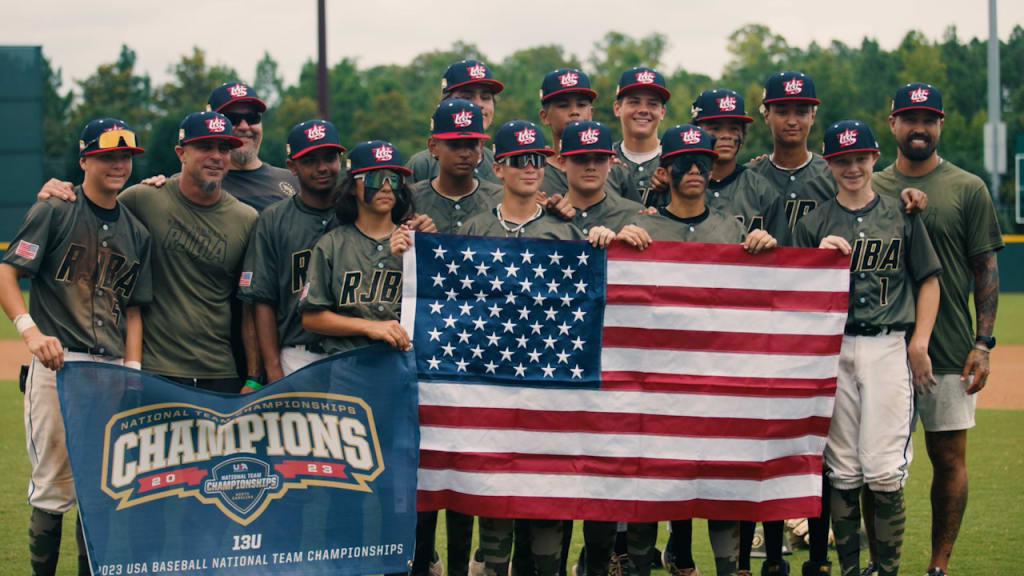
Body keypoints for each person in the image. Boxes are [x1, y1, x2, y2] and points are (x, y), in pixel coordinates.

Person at [617, 125, 778, 576]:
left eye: (702, 161)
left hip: (716, 385)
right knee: (649, 491)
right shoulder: (642, 228)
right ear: (663, 170)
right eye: (683, 162)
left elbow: (761, 302)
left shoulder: (732, 229)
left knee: (722, 486)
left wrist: (764, 250)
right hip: (655, 386)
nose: (694, 169)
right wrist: (612, 241)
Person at [0, 118, 152, 576]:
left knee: (99, 488)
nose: (119, 164)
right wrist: (28, 330)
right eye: (108, 156)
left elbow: (133, 310)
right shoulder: (55, 209)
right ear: (85, 160)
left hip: (110, 372)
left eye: (125, 156)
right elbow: (8, 272)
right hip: (58, 365)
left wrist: (133, 368)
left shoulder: (137, 232)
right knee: (53, 487)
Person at [794, 119, 942, 576]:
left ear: (874, 158)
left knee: (883, 470)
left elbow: (929, 280)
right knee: (842, 470)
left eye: (860, 157)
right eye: (842, 159)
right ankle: (853, 569)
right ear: (830, 163)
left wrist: (919, 342)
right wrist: (818, 258)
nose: (852, 167)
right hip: (834, 348)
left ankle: (888, 568)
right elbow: (792, 293)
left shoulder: (902, 213)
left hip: (886, 346)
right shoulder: (814, 221)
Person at [871, 83, 1003, 576]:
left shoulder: (967, 187)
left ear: (940, 124)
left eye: (928, 118)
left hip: (947, 349)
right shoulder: (872, 185)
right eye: (909, 118)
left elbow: (984, 270)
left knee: (948, 459)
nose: (919, 127)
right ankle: (883, 563)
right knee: (877, 469)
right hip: (881, 349)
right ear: (893, 125)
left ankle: (938, 565)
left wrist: (983, 344)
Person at [118, 111, 259, 391]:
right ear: (181, 153)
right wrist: (57, 191)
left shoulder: (246, 218)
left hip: (219, 370)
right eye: (205, 147)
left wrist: (254, 377)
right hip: (156, 370)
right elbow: (91, 210)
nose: (217, 156)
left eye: (224, 148)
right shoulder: (143, 199)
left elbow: (249, 308)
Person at [238, 119, 347, 381]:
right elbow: (262, 300)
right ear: (292, 167)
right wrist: (273, 367)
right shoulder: (274, 218)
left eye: (329, 158)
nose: (322, 168)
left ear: (340, 159)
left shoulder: (357, 210)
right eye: (310, 160)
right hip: (298, 354)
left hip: (351, 352)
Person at [299, 139, 420, 354]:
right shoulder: (332, 244)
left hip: (403, 362)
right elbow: (311, 318)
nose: (385, 187)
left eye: (393, 179)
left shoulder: (415, 240)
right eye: (374, 178)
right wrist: (369, 327)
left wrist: (412, 259)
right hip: (347, 365)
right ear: (353, 186)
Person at [411, 98, 503, 235]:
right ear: (433, 147)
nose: (465, 153)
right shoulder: (410, 199)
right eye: (455, 144)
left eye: (471, 144)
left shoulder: (501, 200)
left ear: (481, 147)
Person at [407, 59, 504, 185]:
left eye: (485, 98)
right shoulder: (422, 165)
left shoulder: (503, 165)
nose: (479, 104)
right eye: (467, 97)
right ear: (444, 103)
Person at [207, 80, 300, 212]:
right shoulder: (195, 184)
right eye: (232, 119)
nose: (244, 127)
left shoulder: (294, 181)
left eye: (252, 118)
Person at [606, 66, 672, 208]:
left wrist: (676, 182)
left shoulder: (675, 159)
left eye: (652, 104)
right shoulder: (602, 160)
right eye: (634, 102)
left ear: (662, 111)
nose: (643, 110)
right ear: (617, 108)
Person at [538, 67, 598, 198]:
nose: (574, 111)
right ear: (545, 117)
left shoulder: (610, 169)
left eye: (581, 105)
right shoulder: (533, 172)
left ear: (591, 113)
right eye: (563, 105)